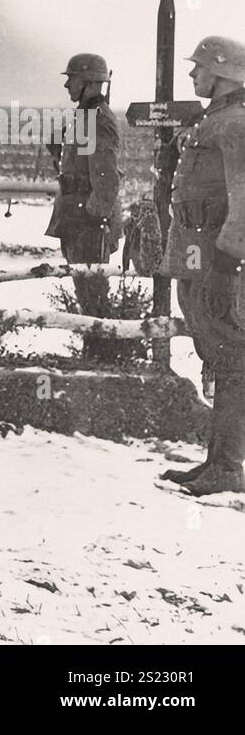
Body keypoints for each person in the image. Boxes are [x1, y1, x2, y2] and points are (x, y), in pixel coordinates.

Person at [158, 35, 245, 495]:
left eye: (200, 68)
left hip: (220, 259)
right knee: (216, 355)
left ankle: (229, 468)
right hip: (197, 255)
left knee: (232, 361)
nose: (192, 75)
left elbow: (244, 200)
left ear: (224, 71)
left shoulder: (235, 125)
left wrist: (228, 265)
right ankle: (216, 462)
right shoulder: (213, 122)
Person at [45, 53, 123, 358]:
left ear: (89, 82)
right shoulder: (85, 116)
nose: (66, 84)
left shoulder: (98, 119)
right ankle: (96, 353)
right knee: (86, 290)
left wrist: (95, 216)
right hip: (77, 216)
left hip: (89, 221)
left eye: (72, 77)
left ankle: (101, 356)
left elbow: (106, 176)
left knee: (93, 296)